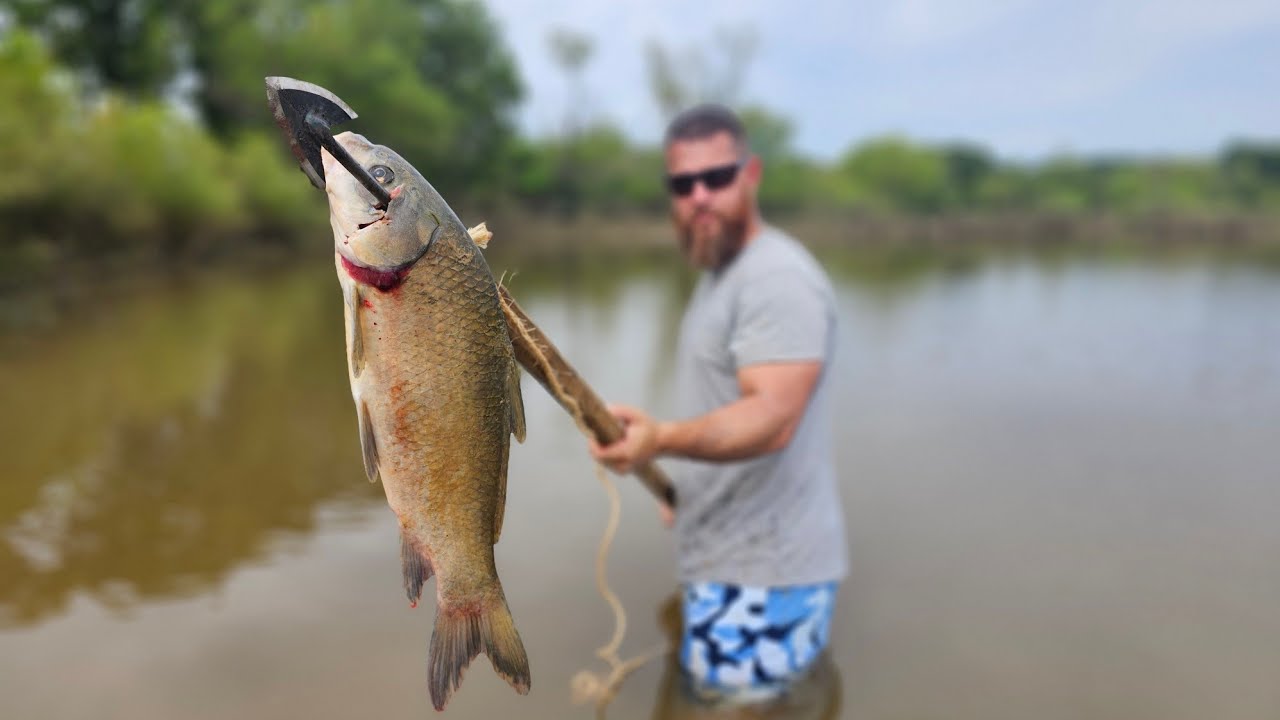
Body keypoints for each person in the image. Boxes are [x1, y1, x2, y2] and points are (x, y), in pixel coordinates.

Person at [589, 104, 848, 705]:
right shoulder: (721, 275)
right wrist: (687, 486)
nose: (700, 196)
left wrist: (662, 440)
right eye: (683, 184)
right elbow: (729, 408)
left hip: (763, 581)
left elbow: (773, 418)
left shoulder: (775, 279)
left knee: (733, 706)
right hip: (727, 557)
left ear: (750, 174)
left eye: (717, 177)